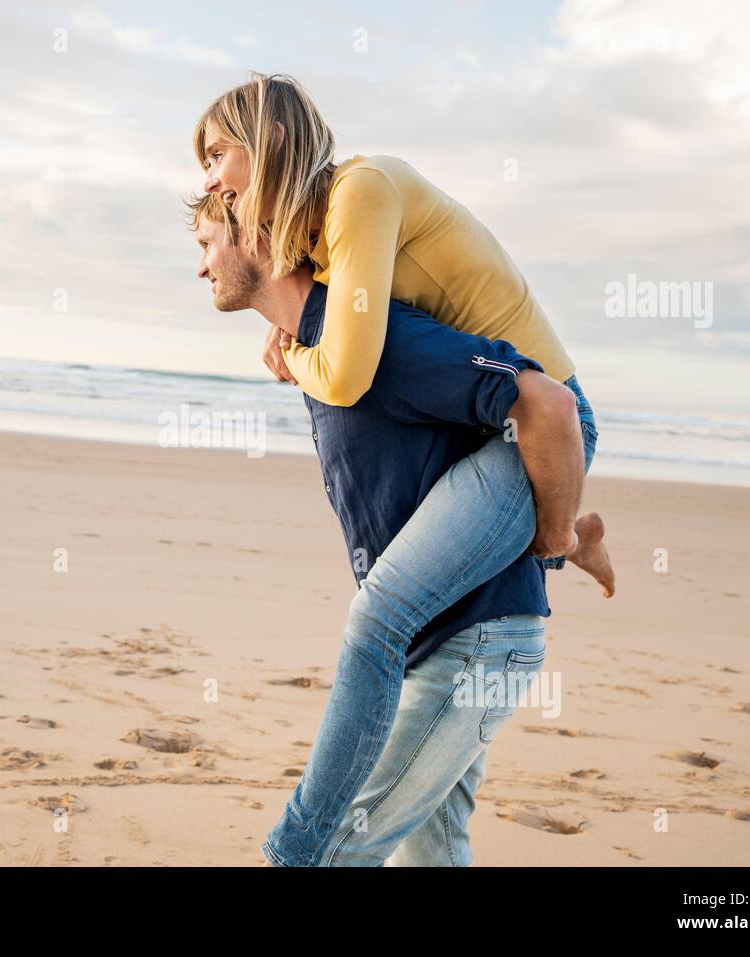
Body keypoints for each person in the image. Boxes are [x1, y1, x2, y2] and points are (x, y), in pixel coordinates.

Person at [190, 193, 579, 865]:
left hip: (474, 641)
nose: (200, 268)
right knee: (431, 856)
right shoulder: (325, 352)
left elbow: (543, 401)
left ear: (254, 235)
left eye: (205, 245)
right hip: (439, 643)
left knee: (335, 855)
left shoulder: (378, 338)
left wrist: (558, 534)